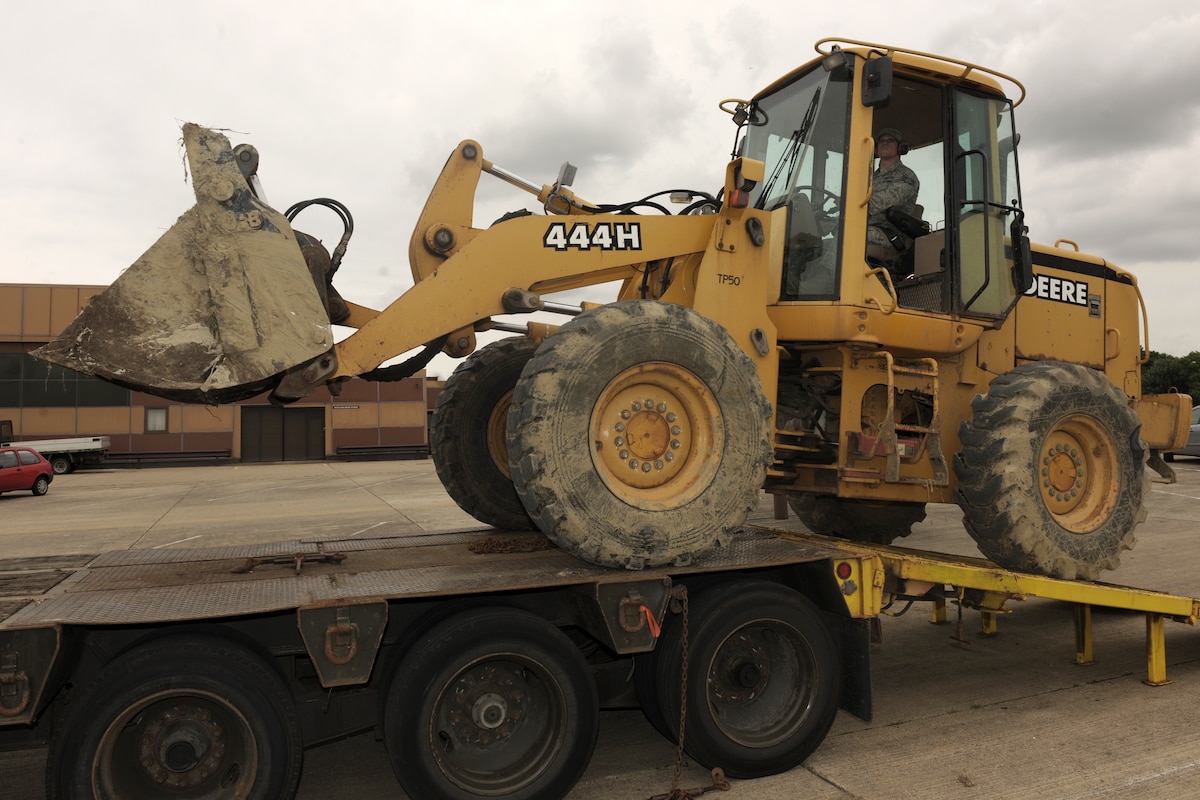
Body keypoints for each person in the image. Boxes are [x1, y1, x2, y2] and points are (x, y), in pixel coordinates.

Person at [866, 127, 920, 260]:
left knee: (847, 234)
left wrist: (849, 204)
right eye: (881, 141)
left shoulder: (906, 177)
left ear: (900, 148)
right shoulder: (870, 177)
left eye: (890, 140)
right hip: (867, 228)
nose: (885, 143)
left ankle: (825, 276)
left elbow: (877, 203)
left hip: (890, 234)